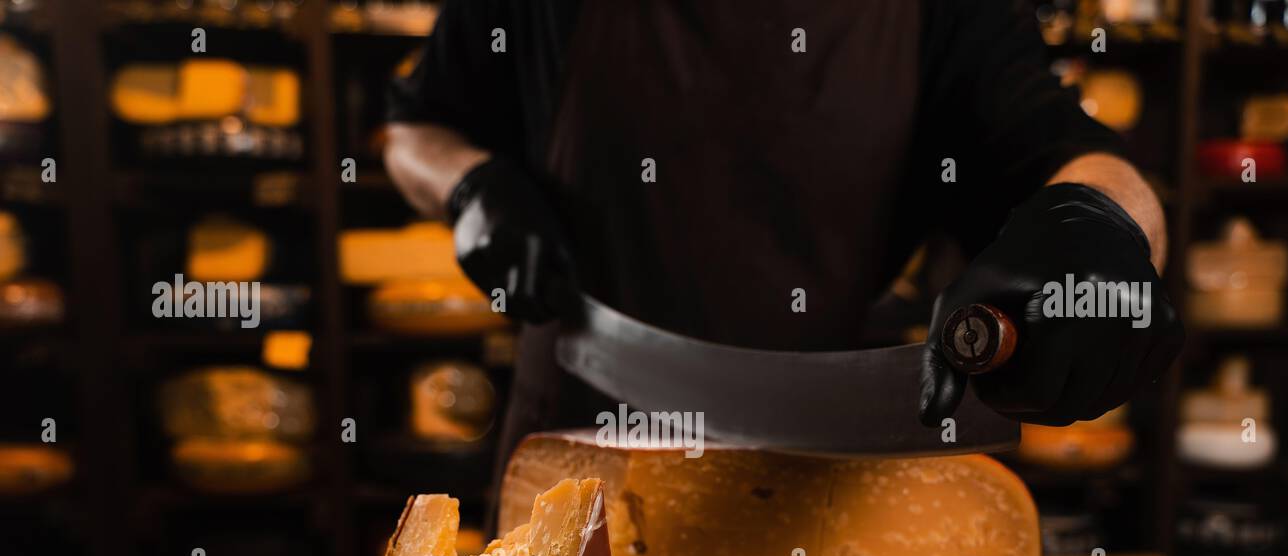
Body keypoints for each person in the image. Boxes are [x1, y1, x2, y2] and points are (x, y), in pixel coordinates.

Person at [384, 1, 1182, 512]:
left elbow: (1077, 156)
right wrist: (470, 187)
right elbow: (413, 132)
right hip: (580, 453)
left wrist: (1101, 226)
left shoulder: (947, 13)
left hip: (830, 471)